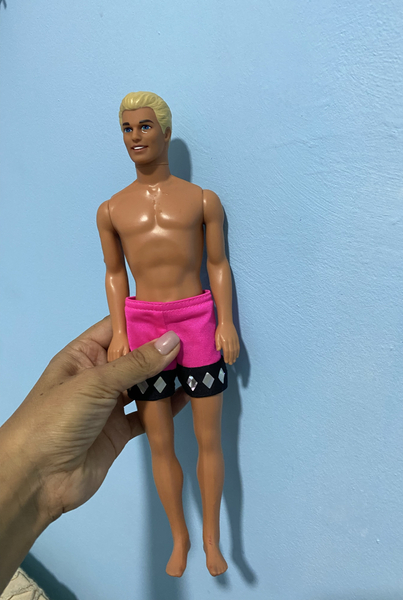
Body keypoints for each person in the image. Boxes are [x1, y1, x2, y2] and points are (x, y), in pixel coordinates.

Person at [96, 91, 240, 577]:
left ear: (165, 131)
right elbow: (114, 274)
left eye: (144, 126)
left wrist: (225, 320)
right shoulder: (112, 210)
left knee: (209, 439)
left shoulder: (201, 200)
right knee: (159, 442)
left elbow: (218, 264)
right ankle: (180, 537)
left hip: (197, 320)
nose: (135, 137)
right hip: (142, 326)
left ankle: (212, 539)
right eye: (127, 128)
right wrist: (119, 331)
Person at [0, 317, 186, 595]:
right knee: (163, 449)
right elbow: (117, 292)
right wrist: (121, 334)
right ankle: (183, 538)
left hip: (191, 335)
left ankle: (204, 540)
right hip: (154, 346)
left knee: (199, 443)